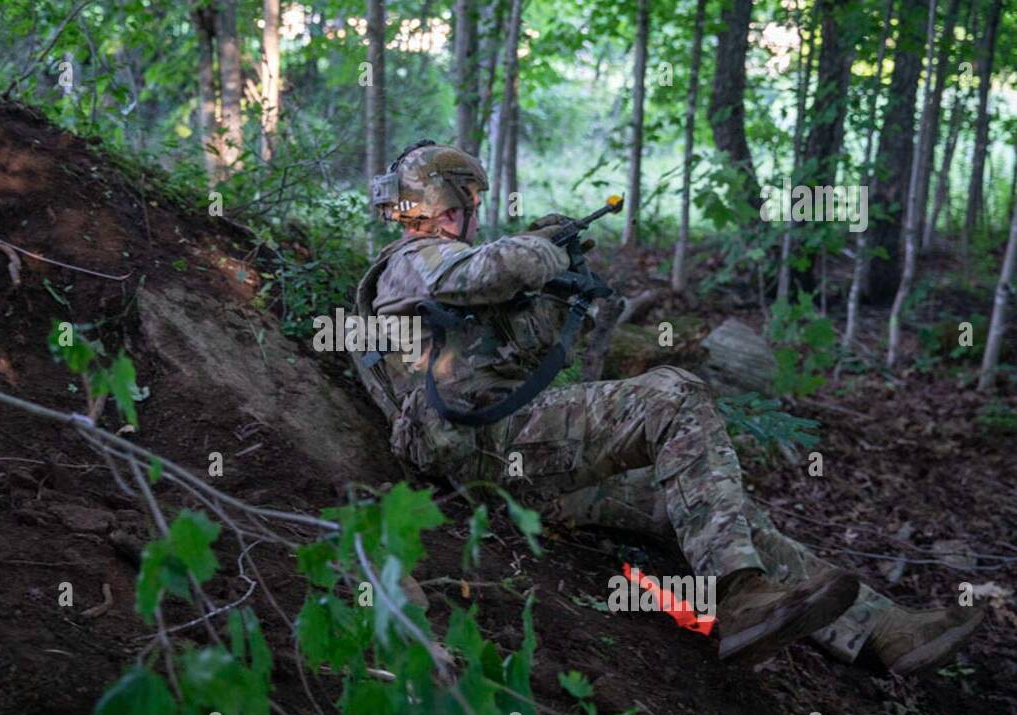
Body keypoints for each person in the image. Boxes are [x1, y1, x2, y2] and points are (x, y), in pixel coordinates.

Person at [353, 140, 982, 673]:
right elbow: (498, 267)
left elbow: (518, 341)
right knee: (674, 393)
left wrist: (560, 290)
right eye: (471, 203)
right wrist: (541, 247)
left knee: (703, 494)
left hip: (515, 464)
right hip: (486, 449)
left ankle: (878, 629)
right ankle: (739, 595)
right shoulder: (413, 259)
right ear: (444, 203)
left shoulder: (450, 271)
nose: (475, 214)